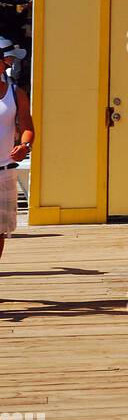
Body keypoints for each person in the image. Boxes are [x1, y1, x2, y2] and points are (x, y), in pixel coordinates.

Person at [0, 40, 34, 262]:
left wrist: (25, 146)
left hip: (4, 171)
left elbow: (28, 127)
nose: (13, 62)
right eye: (10, 58)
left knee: (0, 231)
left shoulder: (16, 93)